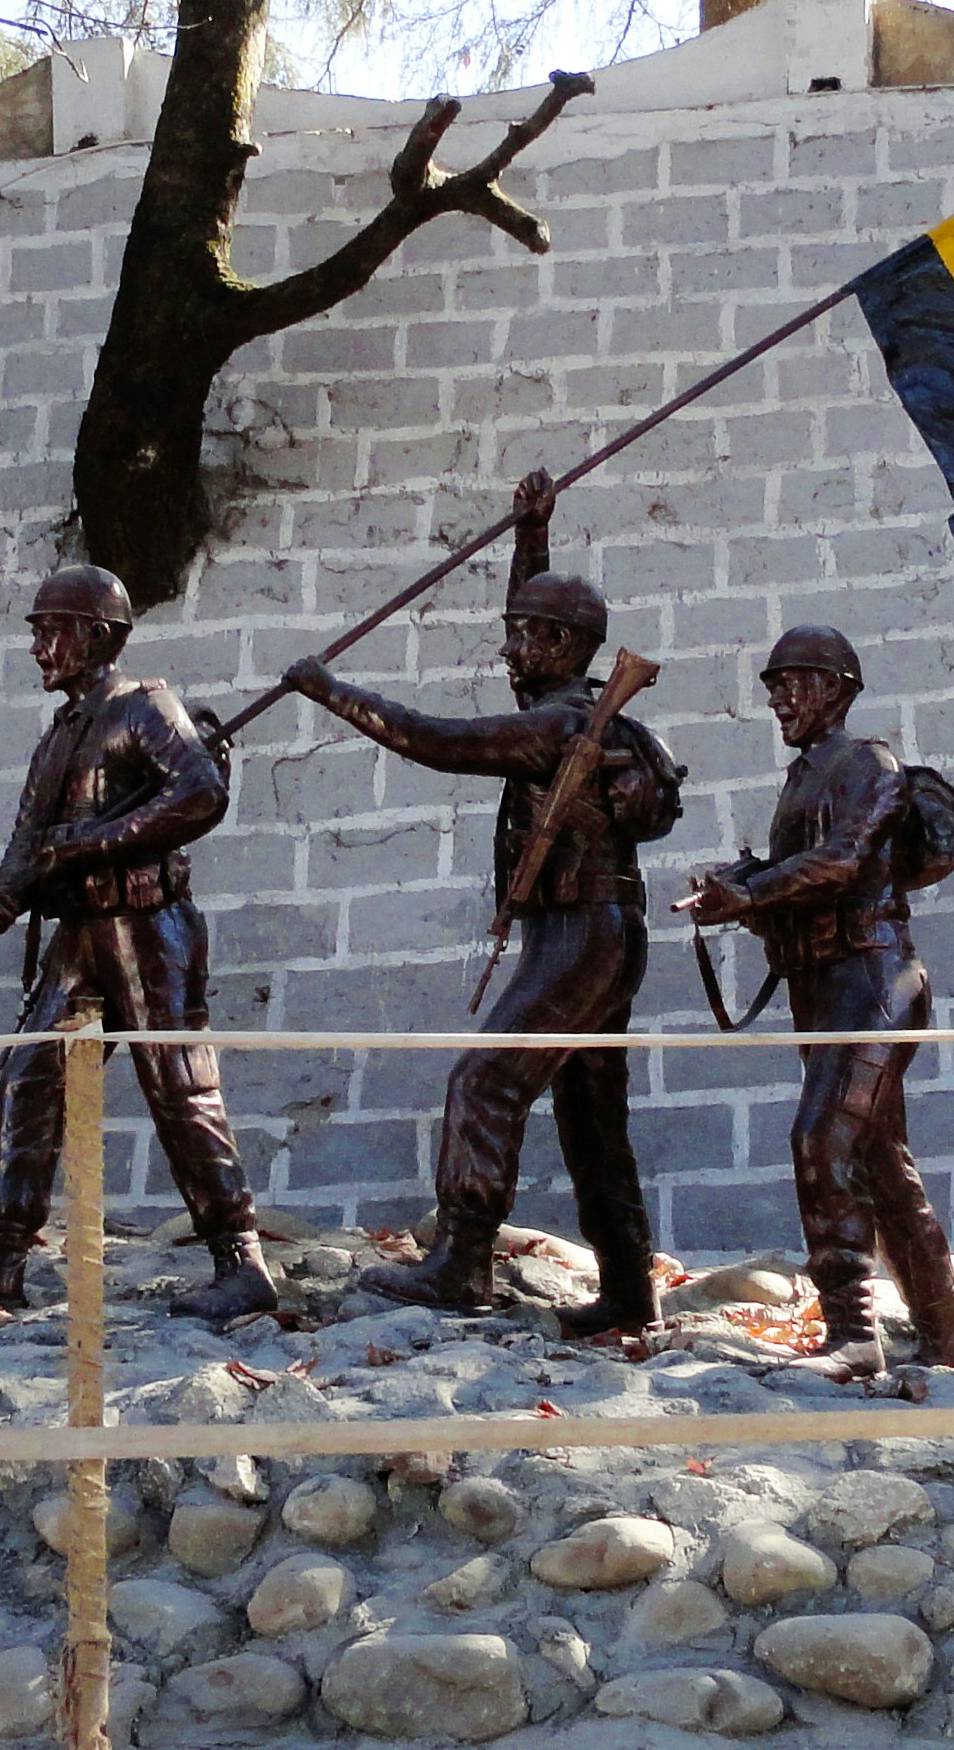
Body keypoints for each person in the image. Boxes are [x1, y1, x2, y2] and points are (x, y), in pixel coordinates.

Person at [285, 470, 682, 1334]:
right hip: (600, 930)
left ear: (563, 644)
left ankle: (463, 1262)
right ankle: (626, 1290)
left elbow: (436, 741)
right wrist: (530, 534)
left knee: (485, 1082)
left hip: (579, 933)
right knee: (590, 1118)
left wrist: (333, 692)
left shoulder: (559, 725)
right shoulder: (568, 711)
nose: (508, 648)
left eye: (524, 637)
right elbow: (531, 632)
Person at [0, 565, 275, 1325]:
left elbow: (200, 792)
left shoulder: (142, 705)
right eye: (34, 629)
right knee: (29, 1069)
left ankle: (240, 1260)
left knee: (179, 1087)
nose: (36, 645)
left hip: (146, 923)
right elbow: (31, 833)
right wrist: (7, 892)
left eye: (49, 628)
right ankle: (3, 1255)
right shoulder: (60, 731)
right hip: (82, 932)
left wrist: (89, 842)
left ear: (97, 635)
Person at [682, 624, 954, 1384]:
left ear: (838, 688)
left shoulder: (867, 762)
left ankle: (853, 1333)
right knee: (881, 1163)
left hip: (874, 979)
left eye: (795, 681)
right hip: (820, 986)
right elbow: (801, 877)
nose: (780, 698)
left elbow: (846, 859)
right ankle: (951, 1335)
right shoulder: (801, 780)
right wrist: (741, 888)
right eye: (773, 684)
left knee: (821, 1140)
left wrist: (752, 888)